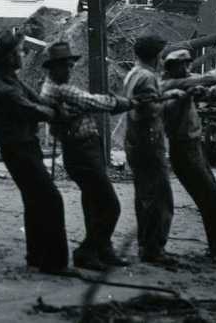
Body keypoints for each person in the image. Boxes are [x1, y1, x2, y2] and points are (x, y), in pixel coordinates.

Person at [39, 41, 134, 271]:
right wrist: (125, 102)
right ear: (53, 68)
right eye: (65, 66)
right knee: (110, 205)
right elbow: (95, 102)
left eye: (70, 65)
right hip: (81, 150)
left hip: (83, 148)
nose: (69, 70)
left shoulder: (50, 87)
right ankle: (87, 251)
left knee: (93, 202)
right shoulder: (61, 89)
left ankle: (103, 249)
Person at [0, 27, 68, 274]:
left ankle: (36, 258)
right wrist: (57, 114)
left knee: (34, 202)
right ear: (10, 56)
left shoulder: (10, 78)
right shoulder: (3, 88)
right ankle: (55, 263)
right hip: (18, 151)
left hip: (25, 147)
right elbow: (34, 110)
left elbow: (37, 100)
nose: (23, 55)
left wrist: (53, 105)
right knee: (52, 200)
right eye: (20, 51)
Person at [160, 47, 216, 262]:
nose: (189, 68)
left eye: (189, 64)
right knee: (213, 203)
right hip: (183, 150)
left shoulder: (184, 84)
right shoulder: (167, 86)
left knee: (214, 203)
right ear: (172, 68)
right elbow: (203, 82)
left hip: (195, 148)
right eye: (184, 65)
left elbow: (211, 94)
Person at [122, 34, 188, 265]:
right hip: (149, 140)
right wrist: (174, 100)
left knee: (144, 196)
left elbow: (146, 100)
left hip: (134, 140)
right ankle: (153, 249)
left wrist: (167, 94)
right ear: (156, 56)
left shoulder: (134, 73)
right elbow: (150, 109)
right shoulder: (148, 77)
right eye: (161, 55)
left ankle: (145, 244)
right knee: (160, 197)